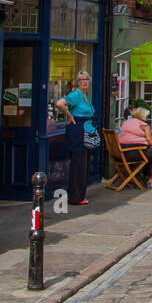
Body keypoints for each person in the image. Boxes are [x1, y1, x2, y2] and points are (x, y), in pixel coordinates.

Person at [54, 70, 96, 206]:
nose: (85, 82)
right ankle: (75, 196)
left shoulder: (86, 95)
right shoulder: (76, 95)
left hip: (86, 130)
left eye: (87, 79)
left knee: (84, 163)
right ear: (77, 82)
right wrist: (69, 115)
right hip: (78, 131)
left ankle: (80, 194)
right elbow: (59, 103)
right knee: (78, 163)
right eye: (82, 79)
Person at [118, 107, 152, 189]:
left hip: (120, 154)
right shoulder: (144, 125)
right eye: (146, 116)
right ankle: (151, 181)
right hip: (133, 153)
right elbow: (150, 142)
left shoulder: (126, 122)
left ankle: (145, 176)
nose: (147, 117)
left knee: (149, 153)